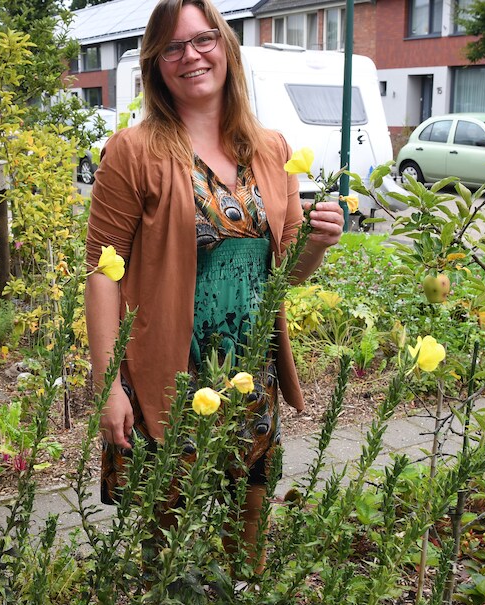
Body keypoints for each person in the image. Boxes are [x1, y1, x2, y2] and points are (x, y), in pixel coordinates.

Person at [84, 0, 344, 572]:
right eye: (172, 47)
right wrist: (107, 387)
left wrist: (319, 241)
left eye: (203, 39)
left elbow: (285, 273)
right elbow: (103, 273)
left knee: (247, 539)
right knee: (166, 548)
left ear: (225, 46)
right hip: (169, 378)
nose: (191, 56)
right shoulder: (134, 151)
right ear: (156, 65)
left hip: (252, 376)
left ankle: (238, 602)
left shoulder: (272, 150)